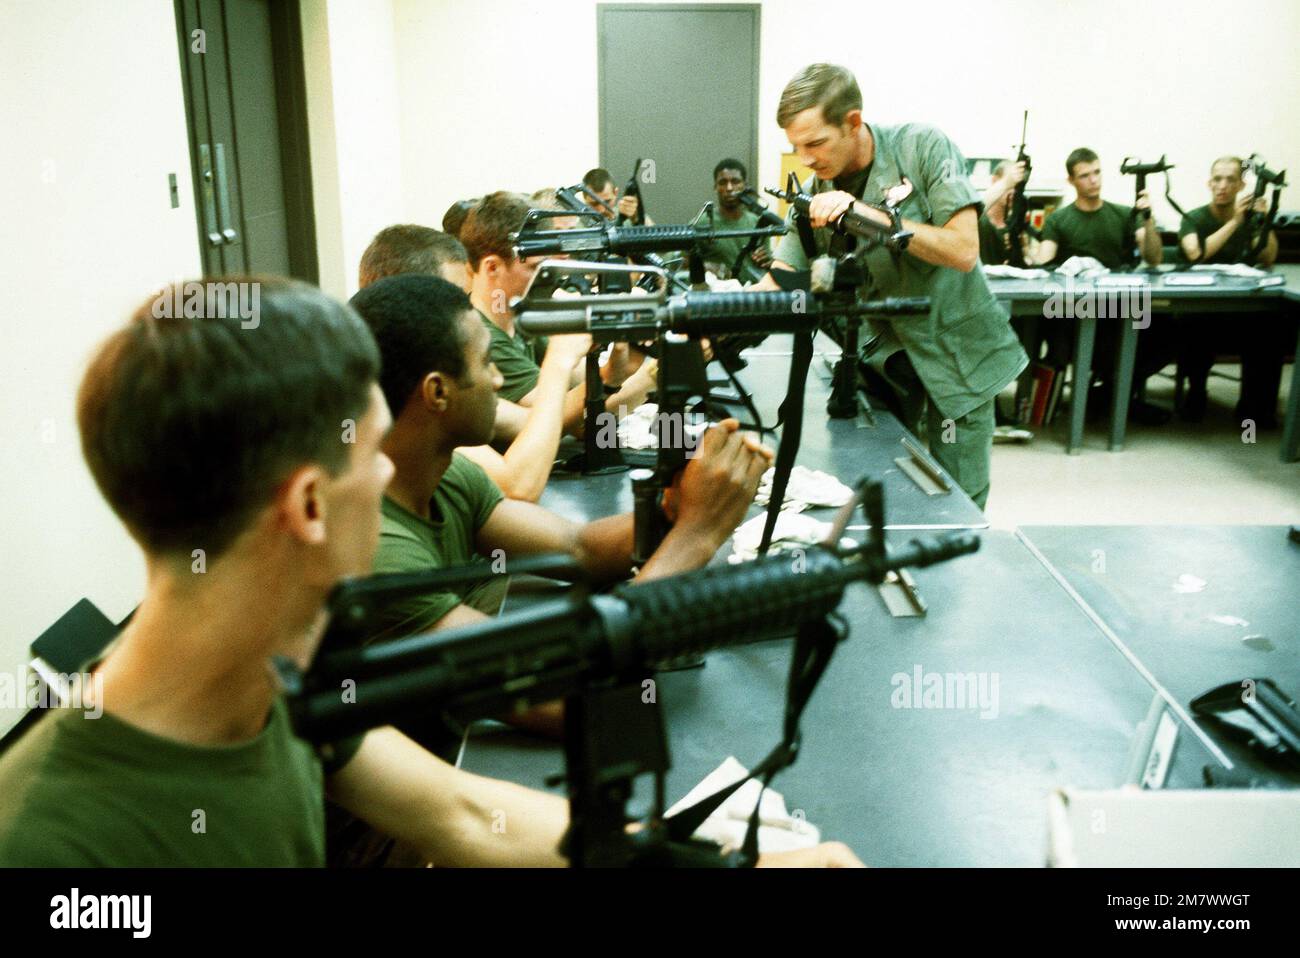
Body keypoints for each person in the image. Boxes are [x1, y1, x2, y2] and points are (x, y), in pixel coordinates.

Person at [0, 276, 859, 869]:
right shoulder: (53, 844)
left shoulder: (274, 679)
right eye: (365, 451)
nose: (386, 472)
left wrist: (725, 858)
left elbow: (463, 816)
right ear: (307, 507)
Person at [755, 63, 1026, 509]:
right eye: (795, 146)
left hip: (956, 349)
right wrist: (701, 321)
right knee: (880, 484)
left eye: (815, 143)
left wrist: (860, 214)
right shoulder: (813, 192)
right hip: (884, 362)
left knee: (958, 501)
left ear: (853, 122)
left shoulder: (921, 147)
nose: (805, 158)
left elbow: (962, 250)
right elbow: (780, 280)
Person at [358, 223, 584, 502]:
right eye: (454, 297)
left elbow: (539, 421)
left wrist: (615, 373)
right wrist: (559, 363)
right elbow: (518, 486)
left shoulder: (437, 380)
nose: (468, 309)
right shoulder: (407, 408)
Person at [461, 191, 657, 431]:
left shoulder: (519, 320)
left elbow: (579, 382)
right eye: (537, 268)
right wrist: (652, 374)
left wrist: (625, 354)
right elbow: (558, 424)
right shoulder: (484, 338)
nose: (548, 277)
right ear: (492, 268)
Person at [1029, 148, 1167, 423]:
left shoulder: (1124, 214)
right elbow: (1043, 260)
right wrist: (1026, 249)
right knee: (1057, 333)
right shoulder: (1059, 219)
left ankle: (1110, 393)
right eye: (1084, 176)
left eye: (1096, 173)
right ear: (1072, 181)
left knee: (1165, 333)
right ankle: (1107, 395)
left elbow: (1154, 258)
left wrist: (1148, 218)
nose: (1093, 180)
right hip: (1074, 309)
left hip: (1119, 307)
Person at [1177, 156, 1285, 424]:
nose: (1222, 185)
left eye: (1230, 180)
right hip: (1201, 312)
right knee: (1193, 329)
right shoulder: (1194, 217)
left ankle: (1254, 409)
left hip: (1242, 311)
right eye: (1217, 179)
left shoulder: (1250, 220)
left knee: (1272, 330)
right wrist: (1235, 222)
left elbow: (1268, 258)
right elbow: (1195, 253)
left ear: (1241, 185)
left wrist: (1262, 221)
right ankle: (1197, 392)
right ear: (1209, 183)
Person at [698, 158, 774, 284]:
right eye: (723, 182)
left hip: (754, 294)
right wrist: (706, 266)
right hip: (718, 297)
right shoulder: (702, 224)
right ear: (715, 187)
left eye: (735, 181)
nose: (729, 188)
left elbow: (769, 261)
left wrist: (768, 261)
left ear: (745, 185)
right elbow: (680, 263)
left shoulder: (759, 223)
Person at [978, 160, 1028, 266]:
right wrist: (1006, 183)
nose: (1014, 191)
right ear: (995, 180)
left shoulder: (1013, 223)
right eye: (1011, 185)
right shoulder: (980, 220)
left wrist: (1023, 249)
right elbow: (977, 206)